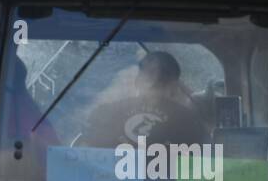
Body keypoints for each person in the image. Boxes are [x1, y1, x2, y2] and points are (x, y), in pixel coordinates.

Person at [82, 50, 210, 148]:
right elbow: (203, 171)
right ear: (174, 85)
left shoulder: (104, 113)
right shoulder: (191, 124)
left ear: (137, 80)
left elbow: (82, 159)